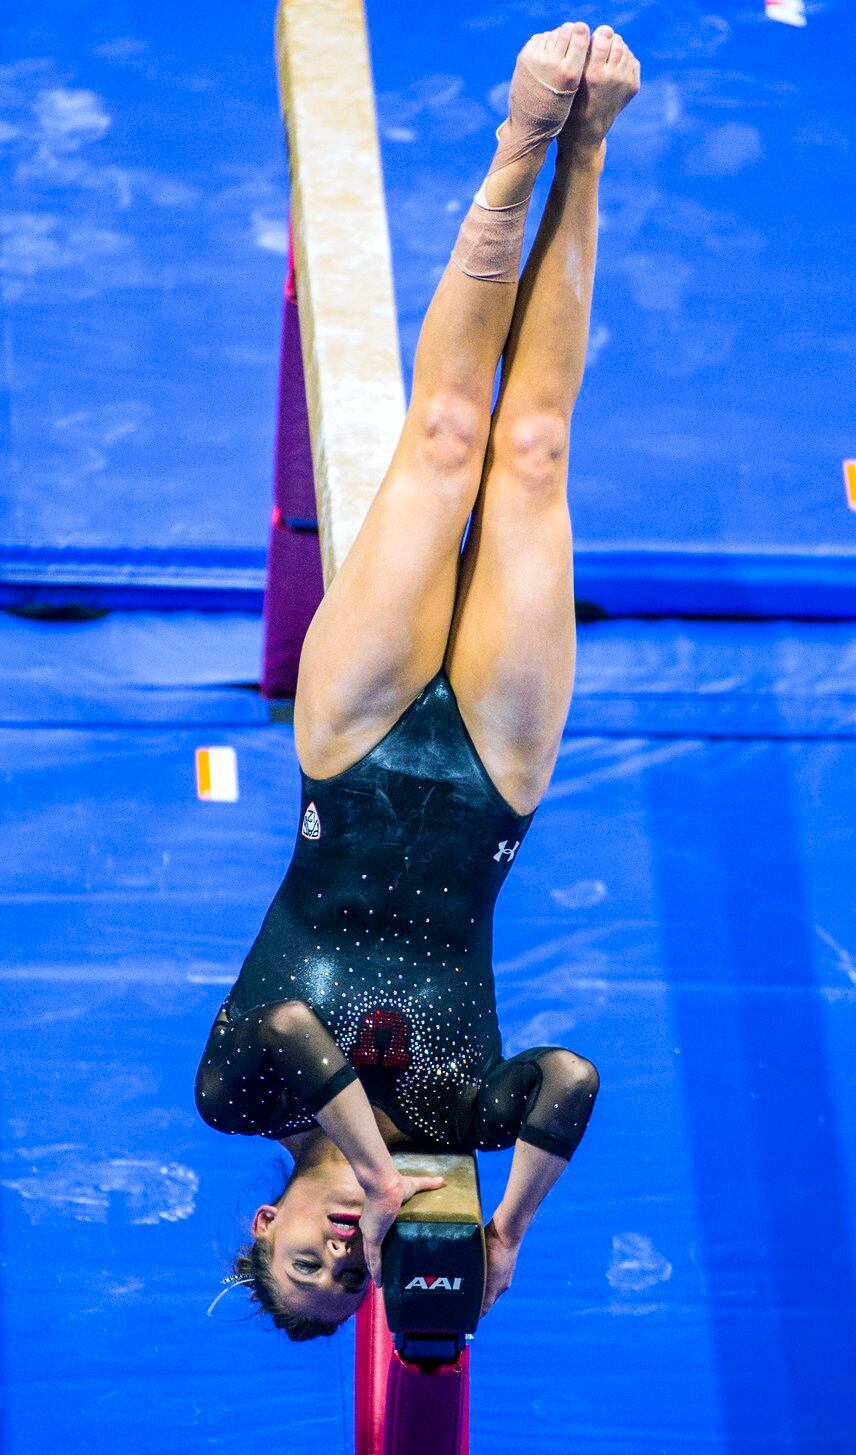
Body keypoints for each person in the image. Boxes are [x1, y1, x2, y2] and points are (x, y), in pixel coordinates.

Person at [195, 21, 640, 1340]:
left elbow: (296, 1025)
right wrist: (502, 1230)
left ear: (263, 1224)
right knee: (535, 452)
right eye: (349, 1280)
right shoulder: (464, 1116)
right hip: (496, 781)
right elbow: (567, 1080)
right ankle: (590, 144)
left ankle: (519, 140)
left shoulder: (238, 1099)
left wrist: (382, 1177)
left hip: (352, 748)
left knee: (445, 435)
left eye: (303, 1264)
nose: (337, 1257)